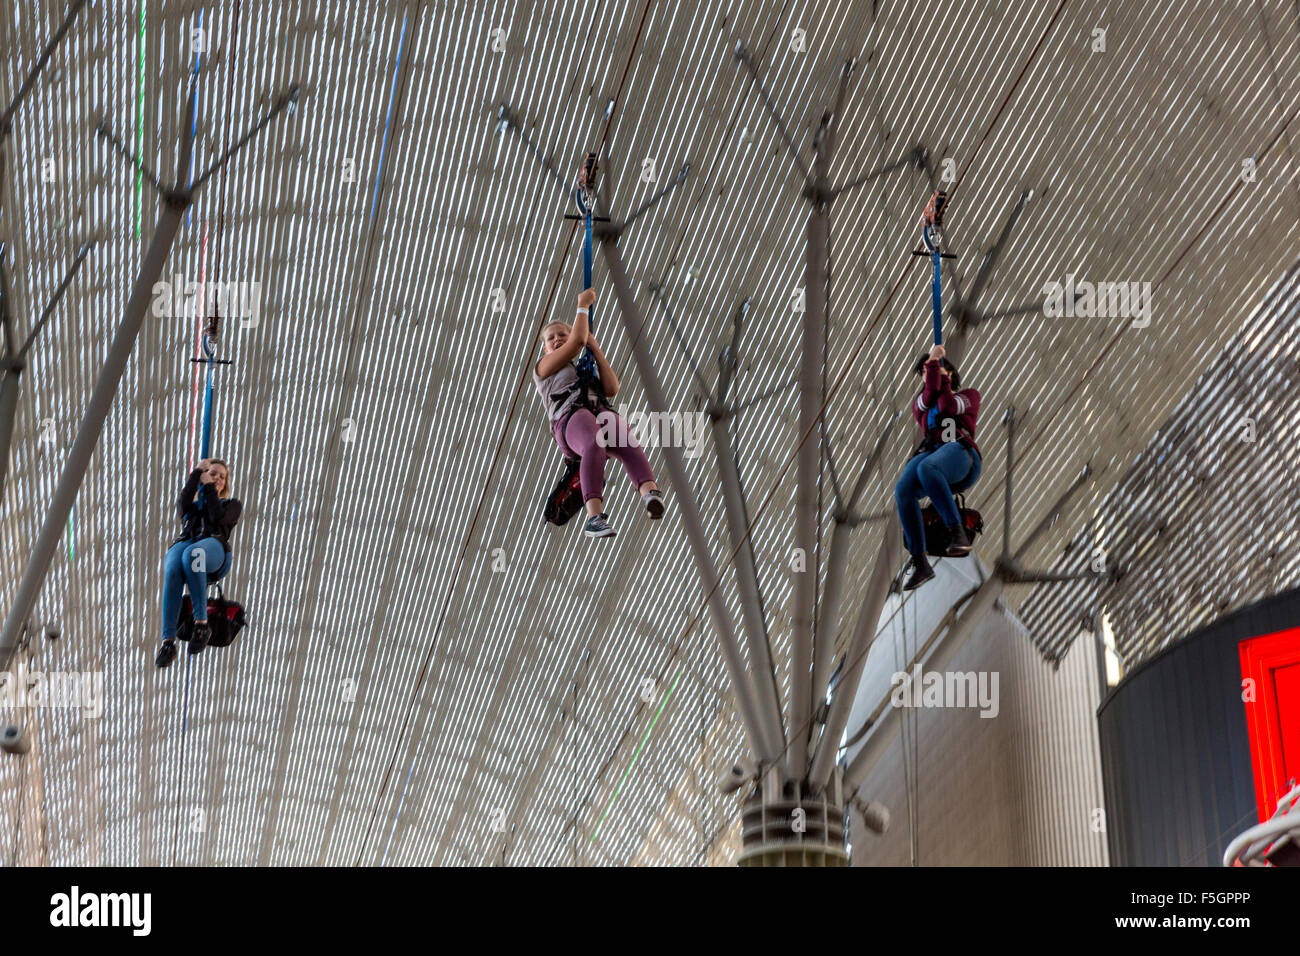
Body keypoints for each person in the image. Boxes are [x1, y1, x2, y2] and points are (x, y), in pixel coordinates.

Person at [533, 286, 665, 538]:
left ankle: (650, 494)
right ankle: (595, 516)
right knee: (594, 442)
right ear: (546, 348)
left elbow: (612, 388)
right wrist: (582, 305)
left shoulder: (583, 369)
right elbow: (576, 343)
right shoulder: (543, 369)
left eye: (562, 334)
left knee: (628, 442)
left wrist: (596, 350)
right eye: (552, 338)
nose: (557, 339)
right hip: (570, 420)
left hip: (597, 414)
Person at [895, 344, 982, 590]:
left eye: (929, 370)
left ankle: (957, 532)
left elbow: (948, 407)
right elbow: (931, 396)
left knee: (926, 469)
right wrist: (934, 365)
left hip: (961, 454)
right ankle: (920, 561)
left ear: (950, 374)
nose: (926, 376)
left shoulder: (969, 396)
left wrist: (938, 370)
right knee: (903, 490)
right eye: (925, 372)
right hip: (934, 453)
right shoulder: (920, 406)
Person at [156, 457, 242, 667]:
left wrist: (209, 487)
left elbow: (216, 516)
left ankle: (202, 624)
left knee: (192, 554)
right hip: (187, 542)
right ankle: (168, 641)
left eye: (222, 477)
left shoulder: (231, 505)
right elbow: (183, 506)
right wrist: (196, 475)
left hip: (214, 547)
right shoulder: (193, 506)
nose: (218, 479)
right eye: (213, 474)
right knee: (173, 567)